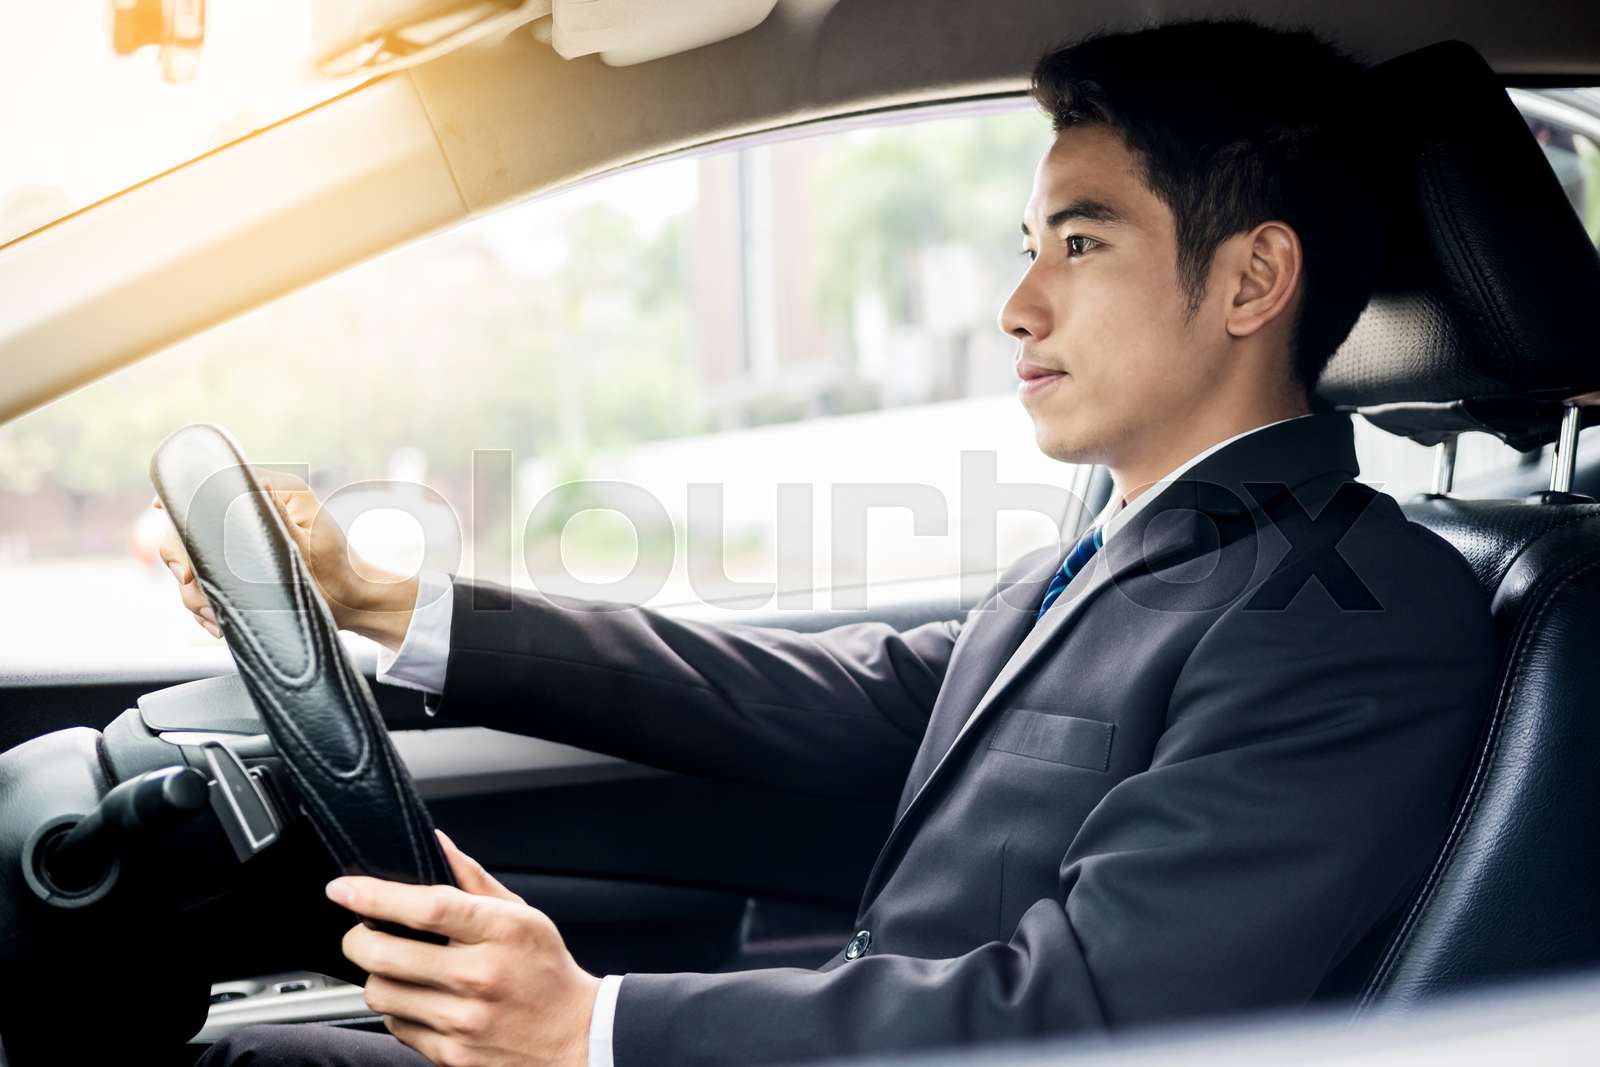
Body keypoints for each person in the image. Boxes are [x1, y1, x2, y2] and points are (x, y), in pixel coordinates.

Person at [173, 18, 1497, 1067]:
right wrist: (379, 598)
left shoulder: (1352, 612)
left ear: (1255, 281)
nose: (1017, 305)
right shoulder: (1120, 543)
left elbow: (1101, 1019)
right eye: (1028, 244)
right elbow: (842, 694)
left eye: (1080, 243)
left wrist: (594, 1030)